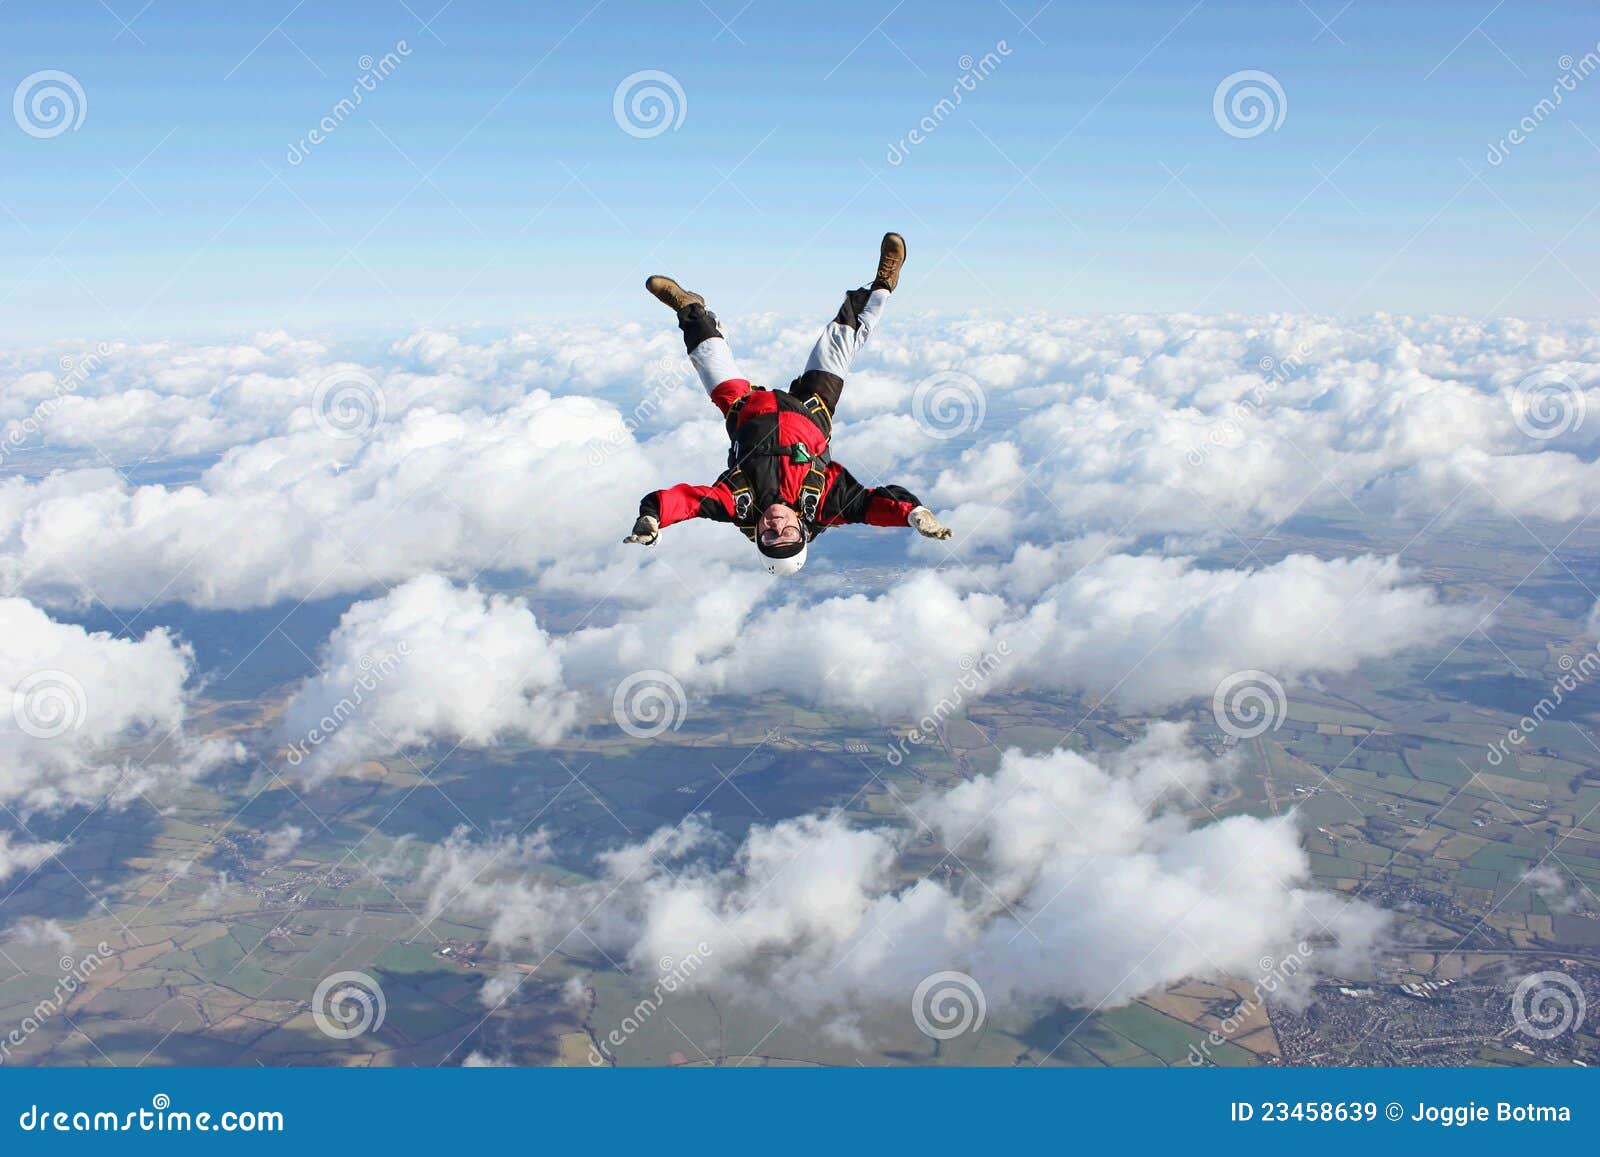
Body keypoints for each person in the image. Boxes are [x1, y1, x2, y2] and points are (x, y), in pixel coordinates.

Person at [624, 232, 952, 576]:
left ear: (758, 536)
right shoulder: (826, 504)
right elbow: (873, 505)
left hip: (749, 410)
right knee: (840, 339)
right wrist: (914, 514)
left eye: (769, 536)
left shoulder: (736, 505)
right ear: (803, 532)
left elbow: (688, 503)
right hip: (810, 410)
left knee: (709, 359)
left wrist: (652, 518)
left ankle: (690, 308)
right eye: (788, 534)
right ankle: (883, 284)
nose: (776, 525)